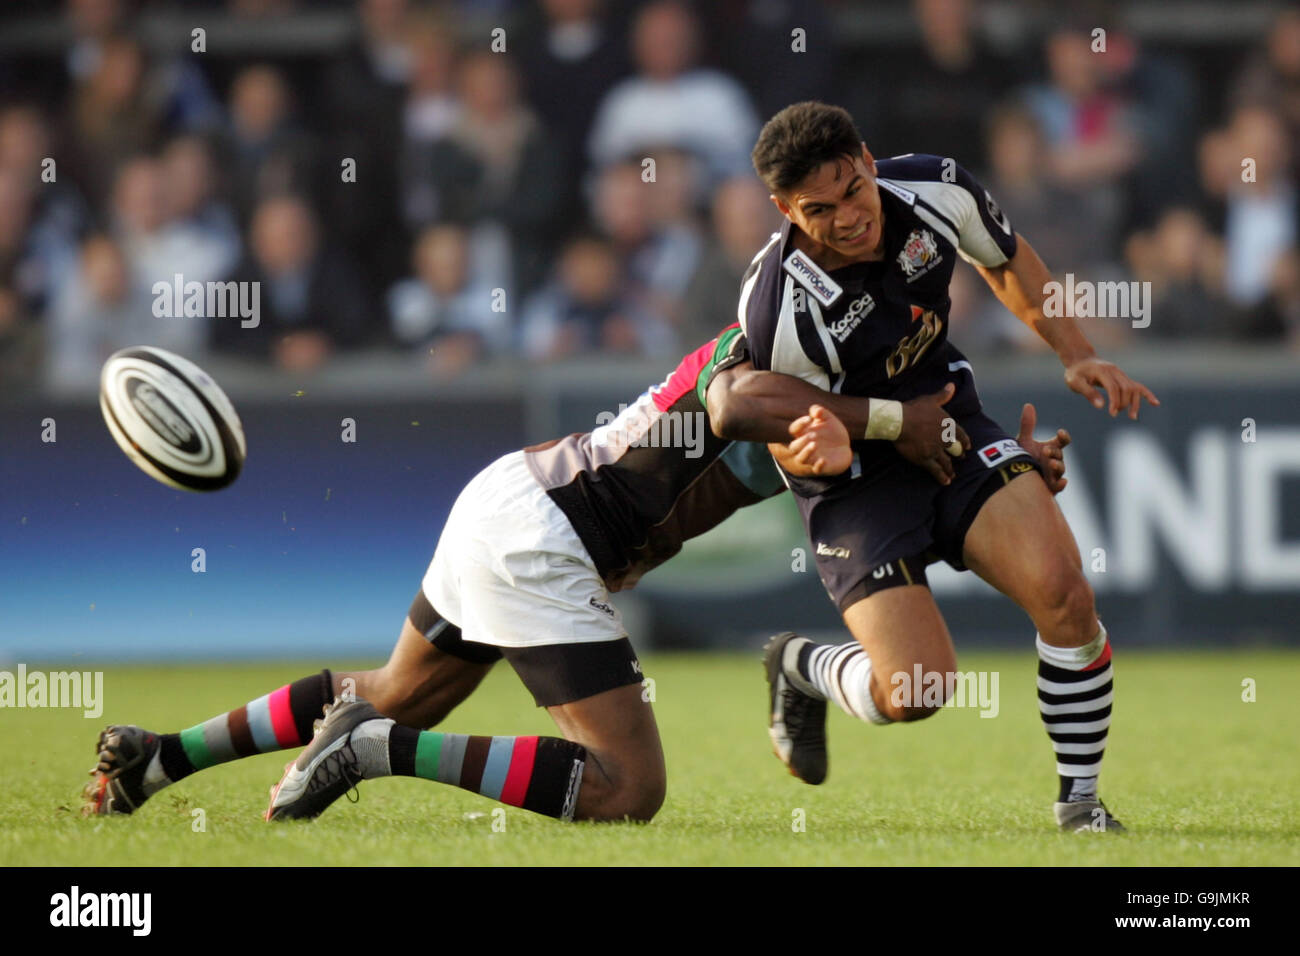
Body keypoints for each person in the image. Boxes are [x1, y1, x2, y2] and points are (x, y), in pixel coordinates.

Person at [83, 327, 1071, 824]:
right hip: (547, 538)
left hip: (507, 496)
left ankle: (158, 756)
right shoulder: (775, 378)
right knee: (627, 787)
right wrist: (944, 446)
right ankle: (379, 752)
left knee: (391, 687)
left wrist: (1004, 466)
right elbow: (763, 417)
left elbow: (892, 458)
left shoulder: (789, 358)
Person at [708, 101, 1158, 833]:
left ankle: (1080, 804)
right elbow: (773, 419)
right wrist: (852, 436)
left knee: (1065, 594)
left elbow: (1005, 259)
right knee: (917, 690)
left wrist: (1075, 354)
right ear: (784, 208)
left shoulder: (935, 190)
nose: (848, 217)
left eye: (853, 188)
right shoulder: (779, 306)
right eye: (819, 210)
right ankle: (802, 667)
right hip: (852, 477)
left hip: (949, 423)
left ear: (866, 155)